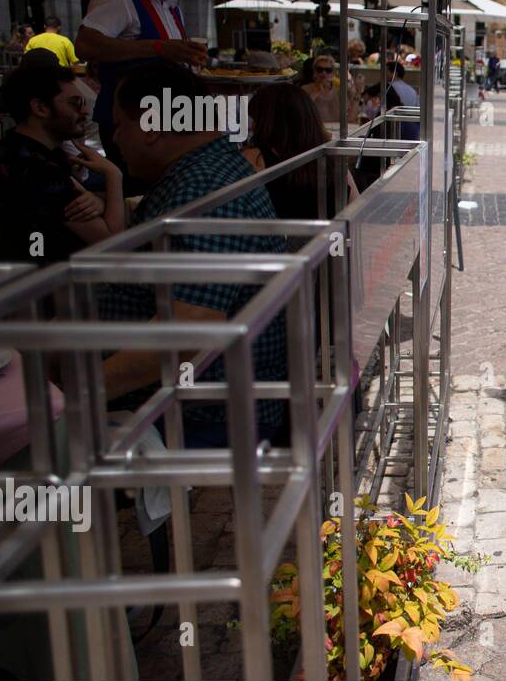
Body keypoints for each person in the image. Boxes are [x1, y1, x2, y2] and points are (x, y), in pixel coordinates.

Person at [97, 63, 289, 448]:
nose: (114, 137)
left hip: (200, 419)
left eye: (120, 125)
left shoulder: (202, 190)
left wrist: (75, 396)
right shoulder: (205, 173)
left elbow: (189, 331)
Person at [75, 0, 207, 189]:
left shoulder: (171, 6)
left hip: (168, 119)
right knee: (141, 192)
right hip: (131, 120)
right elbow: (85, 44)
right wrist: (158, 49)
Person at [0, 65, 124, 265]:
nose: (85, 111)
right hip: (45, 287)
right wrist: (113, 174)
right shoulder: (37, 169)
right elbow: (112, 242)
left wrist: (98, 201)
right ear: (40, 107)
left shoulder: (16, 148)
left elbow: (79, 198)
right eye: (75, 102)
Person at [241, 83, 359, 227]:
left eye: (255, 119)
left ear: (269, 121)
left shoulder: (255, 158)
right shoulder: (332, 156)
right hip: (330, 244)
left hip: (282, 245)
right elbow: (356, 209)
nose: (252, 126)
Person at [301, 53, 343, 125]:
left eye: (328, 70)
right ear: (314, 72)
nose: (324, 73)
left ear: (333, 73)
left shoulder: (339, 91)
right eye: (320, 69)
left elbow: (350, 118)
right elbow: (301, 114)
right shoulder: (305, 89)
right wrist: (315, 93)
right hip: (315, 131)